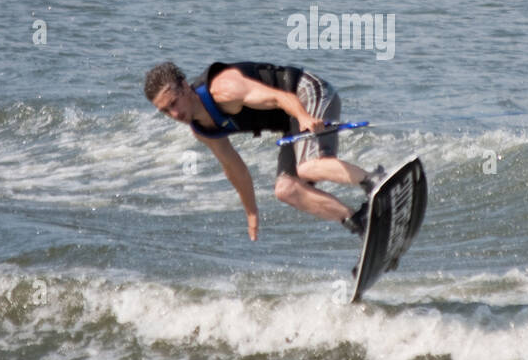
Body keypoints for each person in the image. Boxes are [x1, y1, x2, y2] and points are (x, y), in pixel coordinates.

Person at [144, 60, 382, 242]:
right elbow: (234, 168)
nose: (174, 115)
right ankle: (361, 222)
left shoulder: (224, 89)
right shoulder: (202, 129)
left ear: (185, 87)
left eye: (173, 103)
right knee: (285, 190)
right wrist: (251, 212)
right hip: (291, 121)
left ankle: (376, 182)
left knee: (308, 166)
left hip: (307, 93)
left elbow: (280, 97)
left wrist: (303, 117)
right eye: (166, 111)